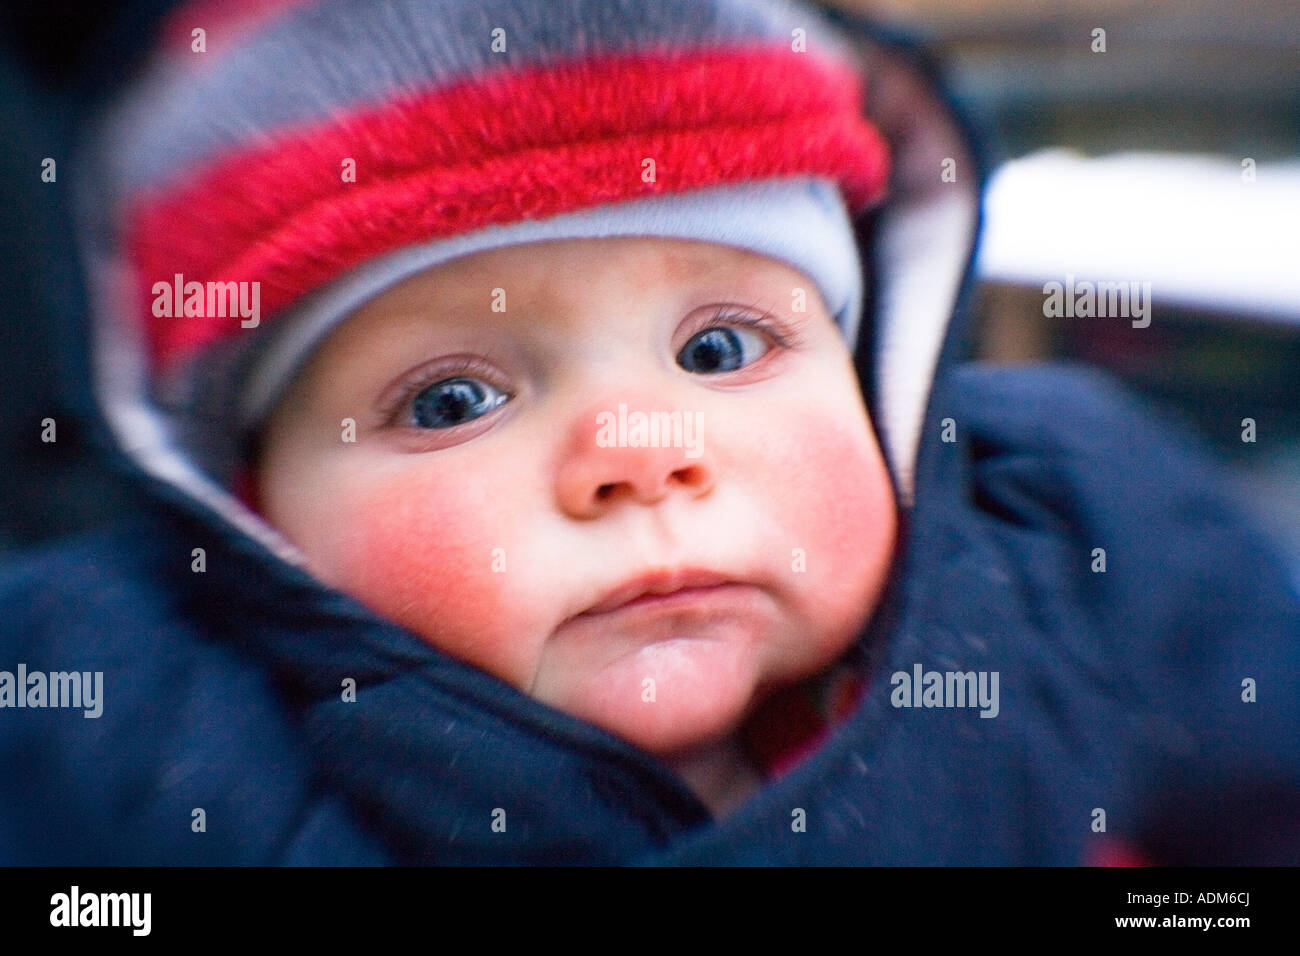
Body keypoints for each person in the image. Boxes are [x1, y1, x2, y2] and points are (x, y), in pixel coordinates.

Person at [2, 0, 1296, 865]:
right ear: (256, 511)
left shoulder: (1066, 543)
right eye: (452, 400)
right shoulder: (130, 741)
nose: (638, 448)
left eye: (721, 348)